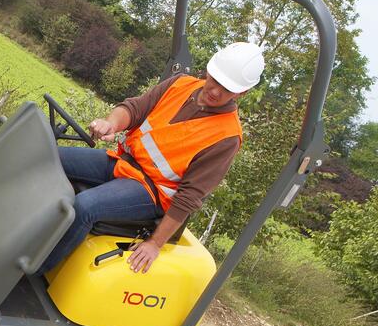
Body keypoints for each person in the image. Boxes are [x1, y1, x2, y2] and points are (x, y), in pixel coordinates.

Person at [38, 41, 264, 275]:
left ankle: (34, 269)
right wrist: (110, 123)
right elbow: (135, 108)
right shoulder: (180, 84)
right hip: (121, 162)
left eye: (227, 89)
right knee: (47, 155)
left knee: (85, 206)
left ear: (242, 92)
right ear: (209, 70)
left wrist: (155, 243)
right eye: (216, 81)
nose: (216, 91)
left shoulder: (227, 136)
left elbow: (190, 196)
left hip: (150, 191)